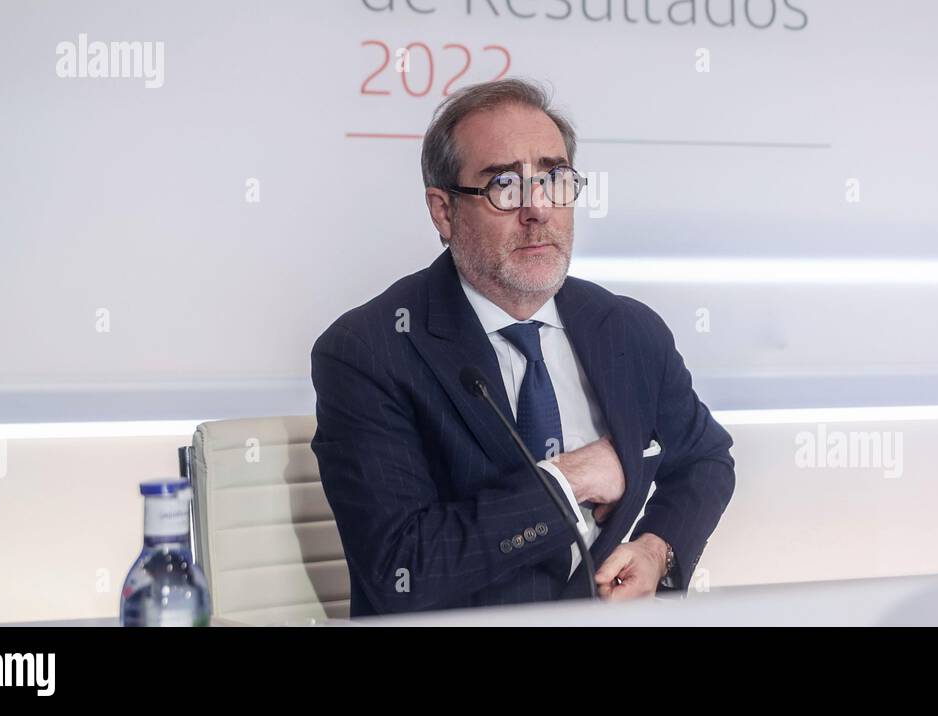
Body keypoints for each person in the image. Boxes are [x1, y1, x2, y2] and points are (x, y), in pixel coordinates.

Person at [311, 77, 735, 616]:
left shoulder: (628, 330)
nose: (537, 209)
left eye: (554, 179)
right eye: (504, 186)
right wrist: (569, 481)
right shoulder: (368, 351)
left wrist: (657, 550)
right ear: (444, 212)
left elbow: (704, 459)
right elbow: (406, 567)